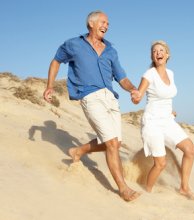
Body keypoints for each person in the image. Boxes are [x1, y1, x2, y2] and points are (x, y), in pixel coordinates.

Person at [43, 10, 140, 202]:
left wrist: (133, 89)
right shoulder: (74, 44)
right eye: (103, 22)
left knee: (114, 142)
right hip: (90, 96)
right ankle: (123, 189)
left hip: (111, 98)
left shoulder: (111, 50)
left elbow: (122, 77)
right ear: (91, 24)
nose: (107, 26)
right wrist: (49, 86)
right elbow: (56, 61)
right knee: (111, 143)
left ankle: (77, 151)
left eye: (108, 23)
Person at [131, 40, 194, 200]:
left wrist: (170, 111)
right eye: (155, 51)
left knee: (190, 150)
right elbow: (139, 96)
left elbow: (166, 96)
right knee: (160, 164)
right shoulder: (149, 74)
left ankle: (184, 188)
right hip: (152, 122)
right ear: (152, 56)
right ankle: (147, 192)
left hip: (167, 120)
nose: (158, 53)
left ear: (167, 55)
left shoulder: (171, 73)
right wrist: (136, 96)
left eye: (161, 50)